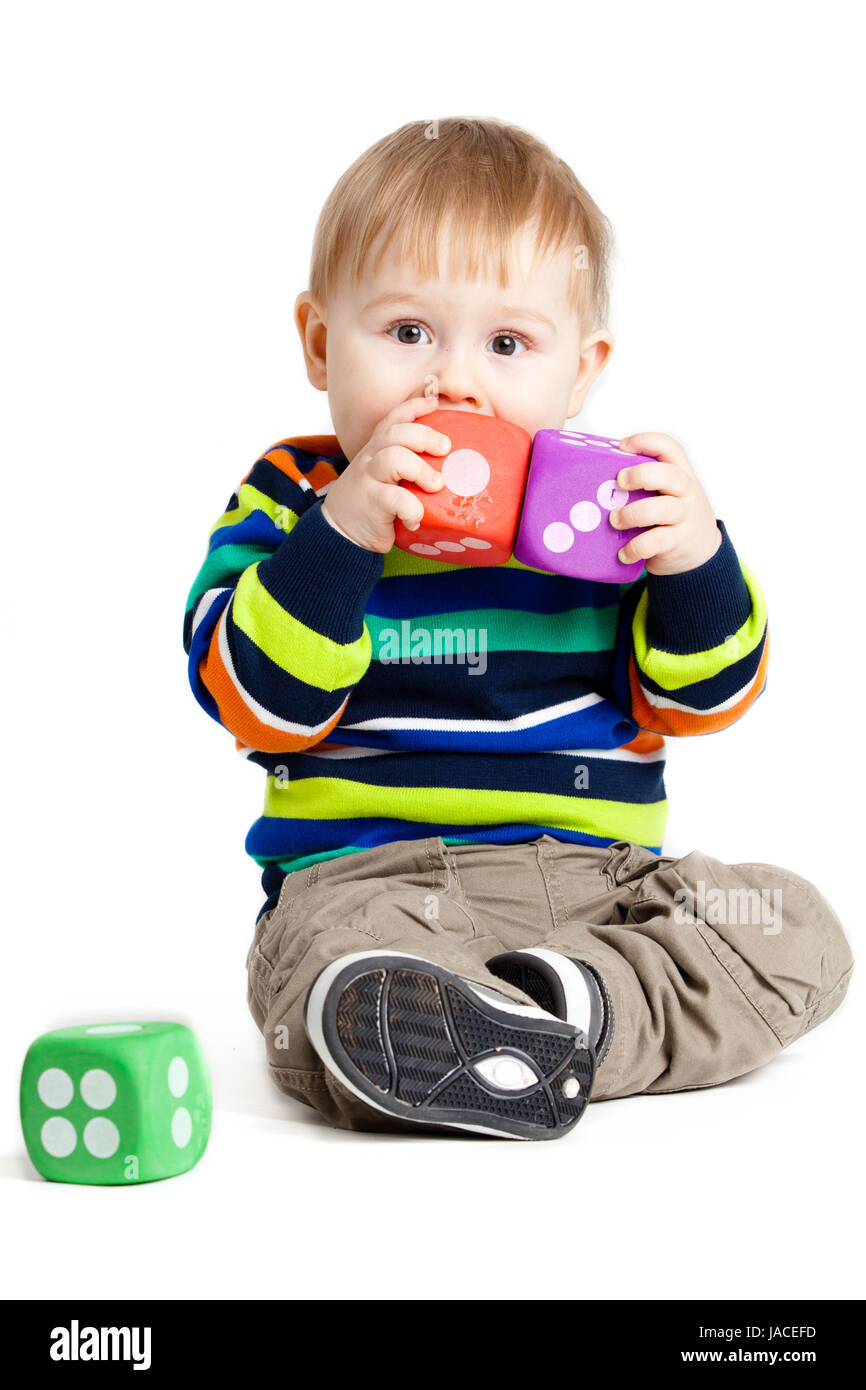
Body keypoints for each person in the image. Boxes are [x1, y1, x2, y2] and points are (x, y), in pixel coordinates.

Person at [182, 117, 853, 1139]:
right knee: (336, 971)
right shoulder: (294, 500)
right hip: (370, 882)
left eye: (506, 344)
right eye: (406, 334)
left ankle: (571, 1007)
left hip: (603, 887)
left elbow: (700, 699)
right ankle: (442, 1026)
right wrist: (345, 530)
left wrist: (694, 556)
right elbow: (251, 699)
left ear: (578, 372)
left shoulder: (609, 510)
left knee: (791, 928)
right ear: (320, 342)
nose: (451, 382)